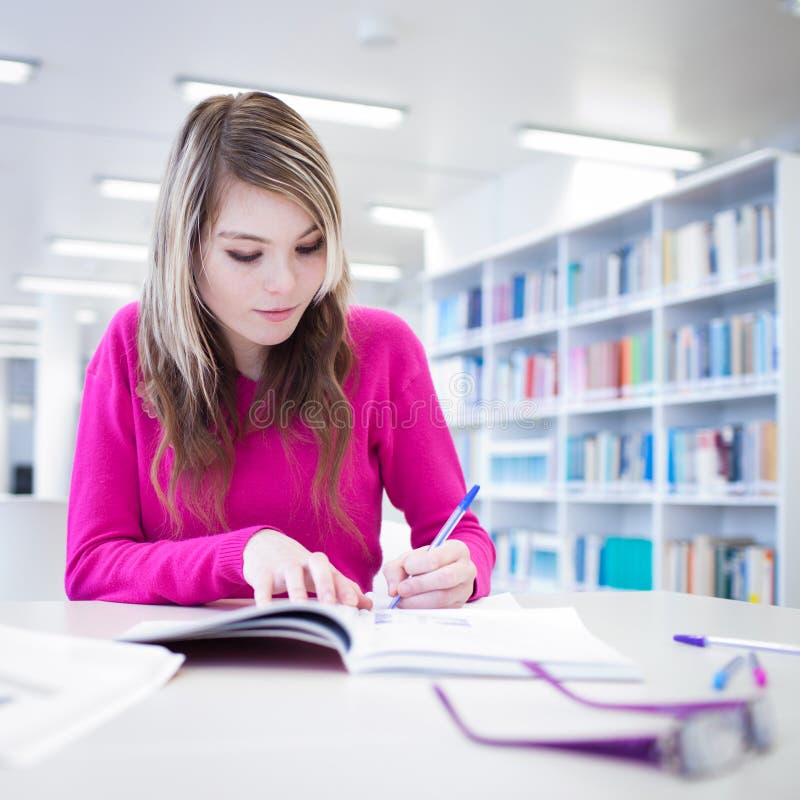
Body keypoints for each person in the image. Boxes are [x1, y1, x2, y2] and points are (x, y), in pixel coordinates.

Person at [66, 91, 495, 609]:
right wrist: (240, 554)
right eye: (246, 254)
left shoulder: (383, 349)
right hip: (179, 656)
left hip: (337, 650)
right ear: (186, 247)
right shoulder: (132, 346)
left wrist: (460, 571)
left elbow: (460, 532)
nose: (285, 283)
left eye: (309, 247)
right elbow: (91, 566)